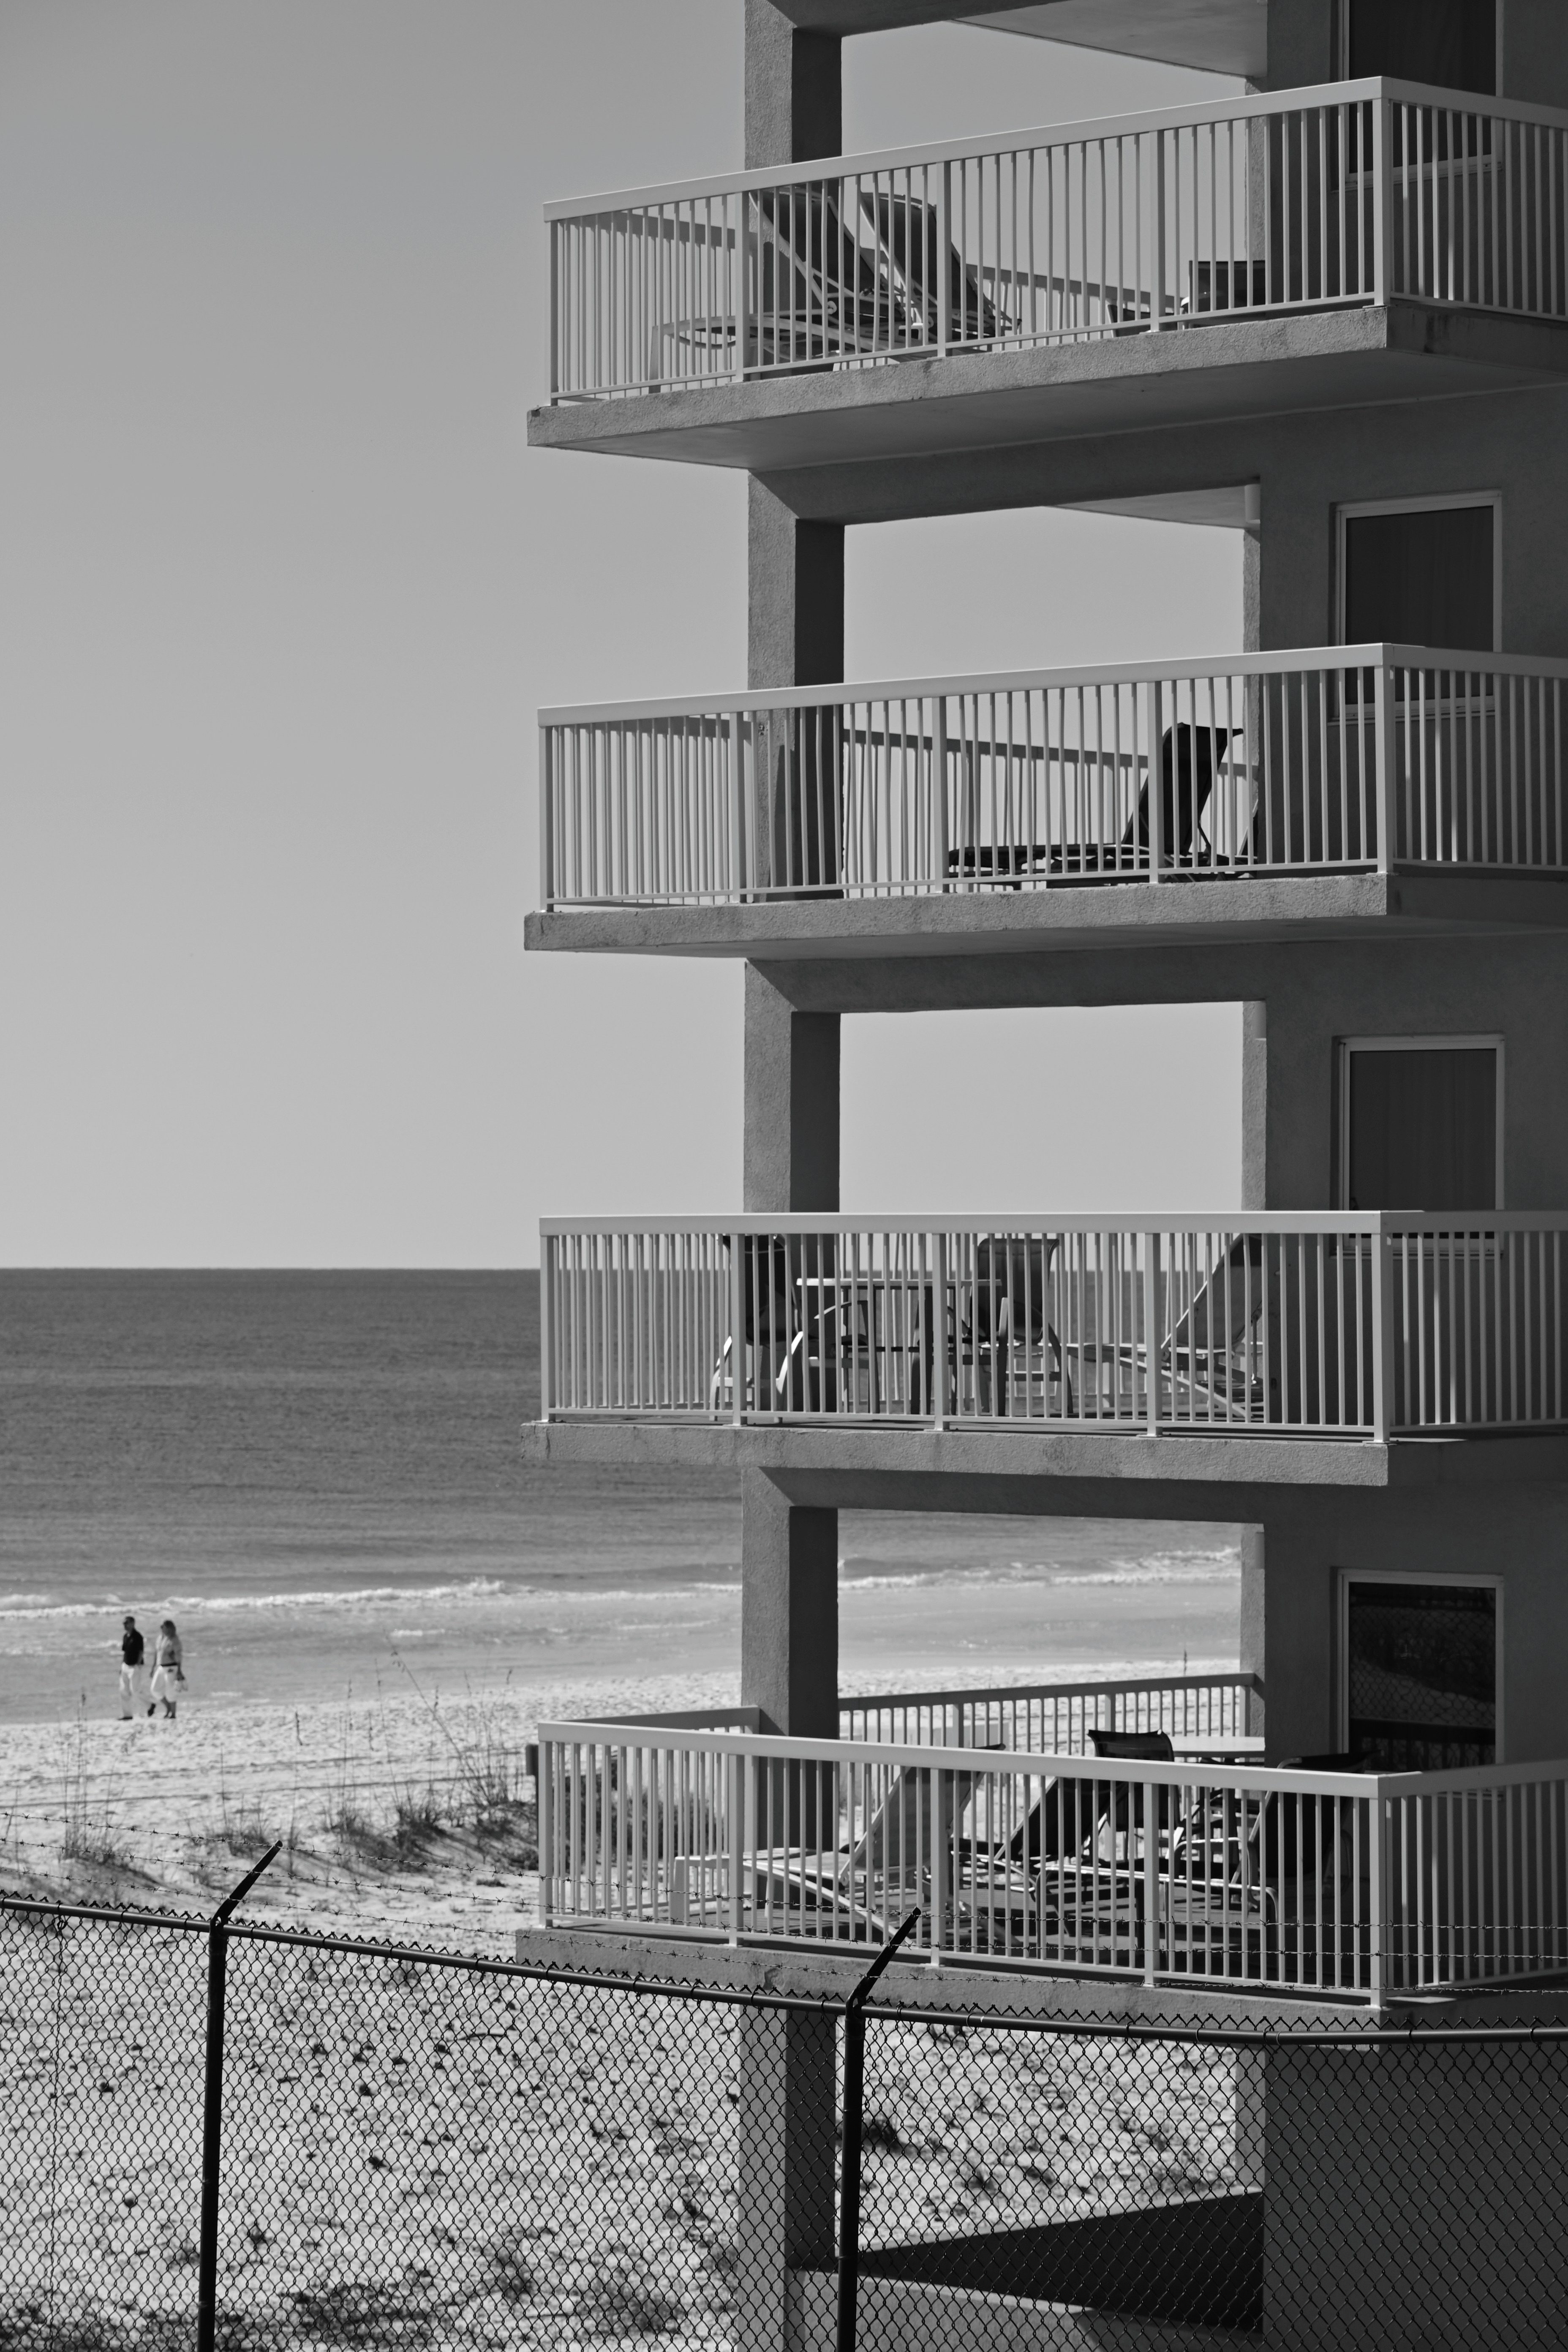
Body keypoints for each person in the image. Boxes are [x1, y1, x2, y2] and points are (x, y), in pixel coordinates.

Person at [149, 1618, 185, 1720]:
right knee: (155, 1689)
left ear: (168, 1628)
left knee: (170, 1691)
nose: (161, 1629)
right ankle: (168, 1707)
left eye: (163, 1627)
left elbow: (179, 1656)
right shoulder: (161, 1638)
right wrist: (153, 1667)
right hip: (161, 1667)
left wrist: (180, 1671)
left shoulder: (174, 1640)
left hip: (171, 1667)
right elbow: (157, 1653)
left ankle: (173, 1713)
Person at [118, 1616, 150, 1719]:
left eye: (127, 1623)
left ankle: (150, 1706)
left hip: (135, 1666)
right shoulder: (126, 1637)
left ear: (133, 1623)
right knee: (124, 1691)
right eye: (124, 1624)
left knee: (135, 1690)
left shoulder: (138, 1637)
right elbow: (125, 1652)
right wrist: (122, 1665)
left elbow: (141, 1651)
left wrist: (137, 1664)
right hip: (126, 1666)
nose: (125, 1626)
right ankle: (127, 1715)